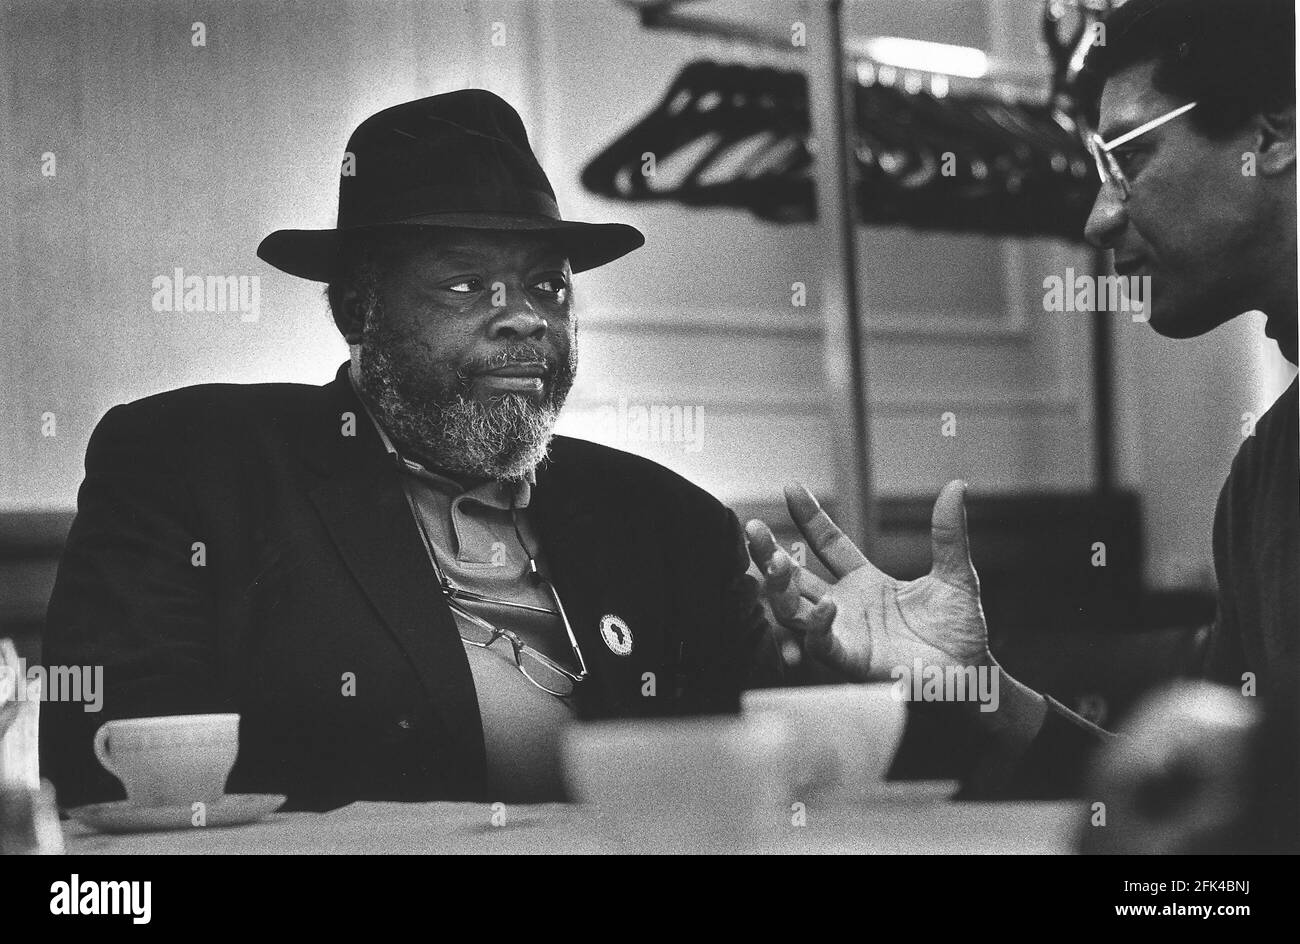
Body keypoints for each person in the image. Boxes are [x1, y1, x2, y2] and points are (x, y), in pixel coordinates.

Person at [40, 89, 784, 812]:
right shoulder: (192, 469)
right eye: (466, 285)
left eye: (547, 288)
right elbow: (105, 771)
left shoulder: (669, 522)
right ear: (358, 308)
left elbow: (791, 772)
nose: (523, 319)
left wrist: (888, 678)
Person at [747, 0, 1298, 801]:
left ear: (1275, 135)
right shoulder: (1266, 471)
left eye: (1129, 161)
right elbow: (1211, 807)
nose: (1100, 217)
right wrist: (980, 687)